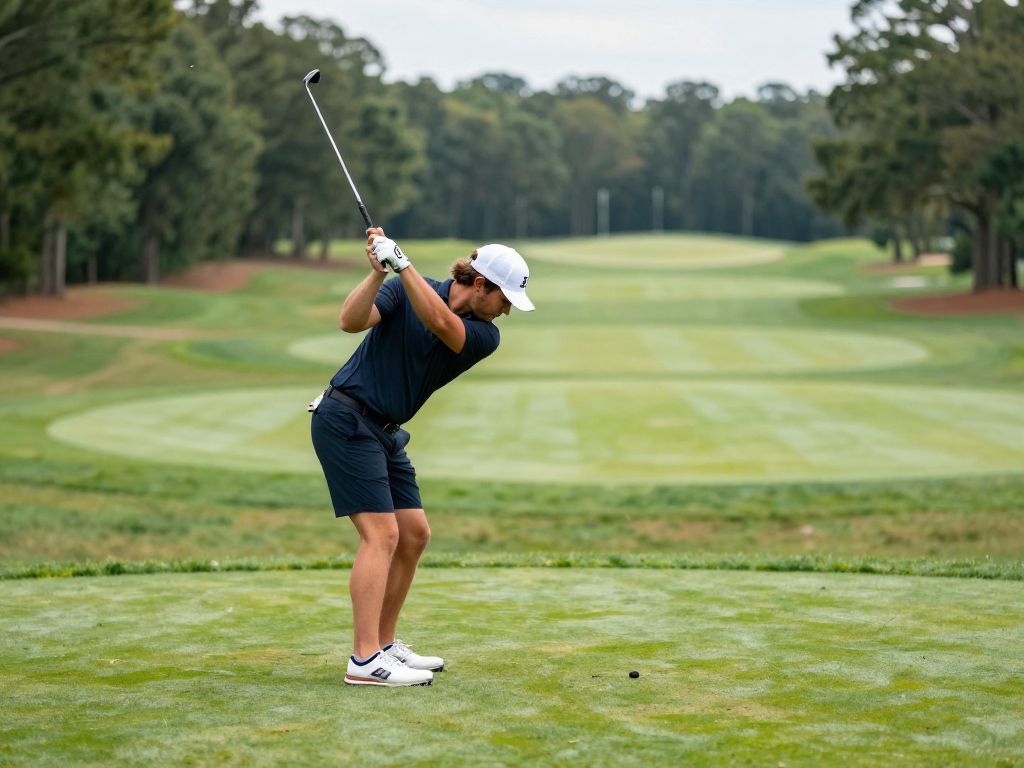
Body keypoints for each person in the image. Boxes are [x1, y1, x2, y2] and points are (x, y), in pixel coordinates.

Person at [309, 227, 534, 687]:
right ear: (480, 285)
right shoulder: (403, 287)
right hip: (346, 418)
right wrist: (378, 274)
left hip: (387, 433)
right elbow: (350, 322)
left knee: (413, 534)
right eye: (505, 297)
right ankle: (364, 659)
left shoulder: (483, 335)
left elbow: (441, 325)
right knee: (382, 534)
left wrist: (401, 263)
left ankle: (385, 644)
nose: (507, 308)